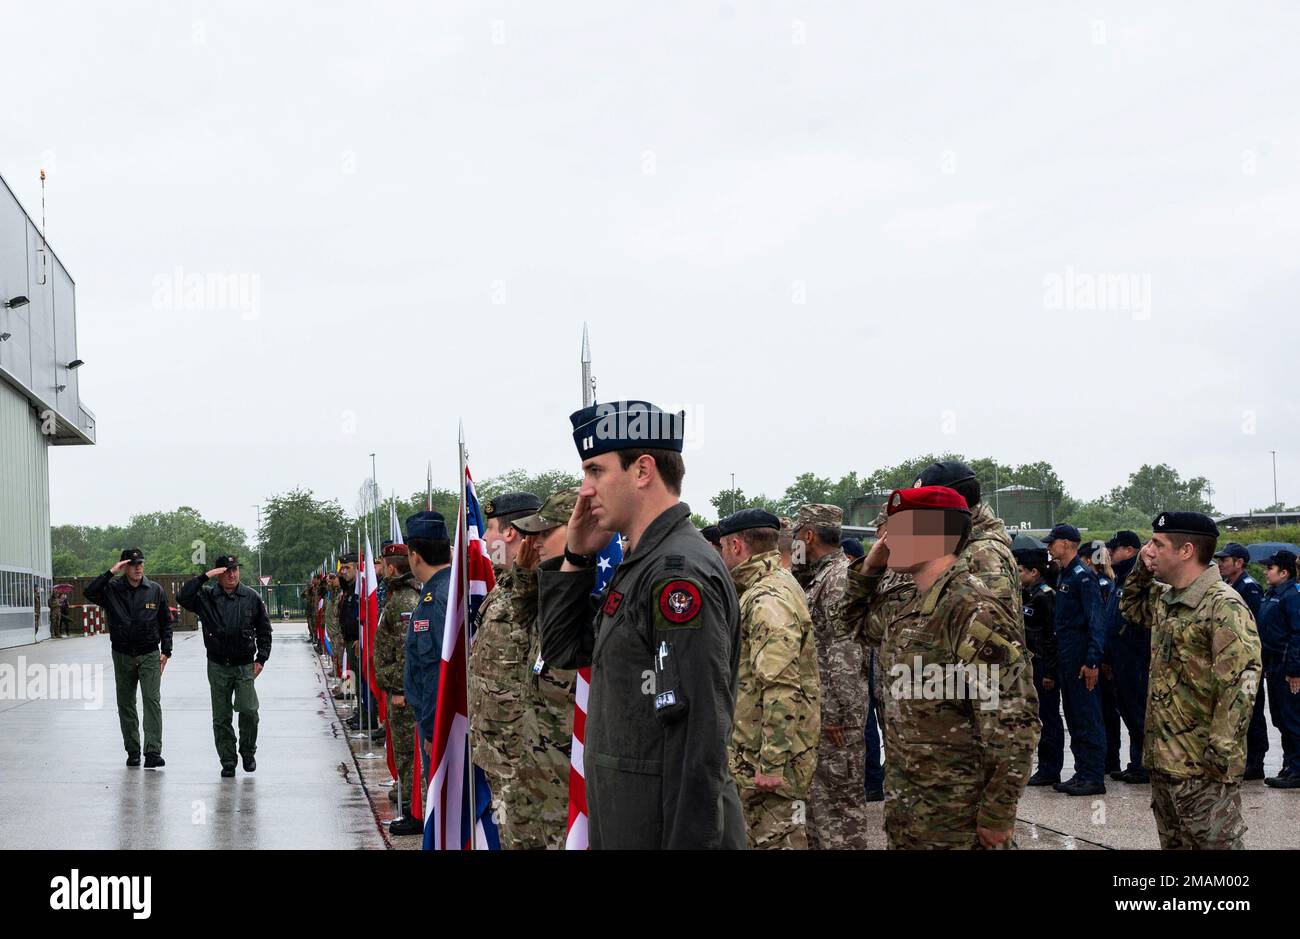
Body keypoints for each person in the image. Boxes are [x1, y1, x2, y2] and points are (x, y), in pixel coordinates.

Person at [538, 399, 745, 849]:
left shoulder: (675, 573)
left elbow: (699, 739)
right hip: (631, 822)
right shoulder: (642, 564)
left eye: (596, 471)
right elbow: (563, 650)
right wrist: (576, 556)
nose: (585, 490)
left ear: (643, 470)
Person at [842, 486, 1039, 849]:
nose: (886, 538)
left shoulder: (972, 608)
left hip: (959, 822)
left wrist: (998, 814)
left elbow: (1014, 724)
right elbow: (852, 623)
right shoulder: (909, 604)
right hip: (911, 816)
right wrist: (869, 568)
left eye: (897, 528)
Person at [1120, 512, 1261, 848]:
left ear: (1185, 550)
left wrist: (1216, 758)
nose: (1149, 550)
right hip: (1166, 764)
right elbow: (1130, 606)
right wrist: (1141, 565)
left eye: (1157, 544)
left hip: (1202, 771)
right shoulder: (1167, 599)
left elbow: (1241, 687)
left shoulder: (1223, 606)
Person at [717, 508, 820, 849]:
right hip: (762, 754)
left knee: (778, 841)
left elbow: (780, 684)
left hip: (768, 764)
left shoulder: (766, 598)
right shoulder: (774, 581)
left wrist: (772, 762)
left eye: (720, 547)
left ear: (735, 546)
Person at [469, 490, 554, 847]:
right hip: (497, 744)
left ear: (512, 532)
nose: (484, 538)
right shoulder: (505, 584)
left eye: (490, 528)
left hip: (521, 751)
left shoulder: (538, 583)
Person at [509, 488, 585, 848]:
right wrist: (524, 575)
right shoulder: (550, 590)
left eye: (544, 533)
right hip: (537, 771)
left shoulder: (590, 597)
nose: (534, 543)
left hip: (570, 782)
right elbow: (517, 621)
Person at [794, 502, 869, 850]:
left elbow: (846, 652)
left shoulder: (838, 579)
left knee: (840, 813)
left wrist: (834, 712)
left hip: (835, 718)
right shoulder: (820, 577)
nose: (792, 543)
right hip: (822, 713)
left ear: (808, 535)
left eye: (795, 536)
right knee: (820, 809)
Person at [178, 555, 272, 777]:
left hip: (244, 665)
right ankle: (228, 760)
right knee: (221, 717)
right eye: (227, 570)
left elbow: (264, 630)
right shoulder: (207, 596)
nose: (232, 574)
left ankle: (247, 752)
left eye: (235, 569)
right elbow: (182, 596)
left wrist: (262, 659)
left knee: (249, 710)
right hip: (218, 665)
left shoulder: (251, 597)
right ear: (218, 574)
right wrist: (205, 576)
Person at [83, 548, 174, 768]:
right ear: (124, 567)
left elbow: (166, 622)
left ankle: (152, 751)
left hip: (149, 653)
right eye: (133, 565)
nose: (138, 568)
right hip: (122, 654)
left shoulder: (155, 590)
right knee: (126, 704)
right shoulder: (112, 589)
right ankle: (133, 750)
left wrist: (166, 651)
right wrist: (110, 572)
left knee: (152, 701)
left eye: (140, 564)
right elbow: (89, 592)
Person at [1041, 523, 1107, 796]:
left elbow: (1097, 622)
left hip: (1081, 658)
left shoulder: (1083, 577)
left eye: (1052, 542)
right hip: (1067, 657)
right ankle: (1082, 771)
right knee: (1073, 715)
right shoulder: (1065, 575)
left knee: (1087, 716)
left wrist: (1092, 661)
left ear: (1066, 543)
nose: (1048, 547)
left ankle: (1093, 776)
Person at [372, 543, 423, 834]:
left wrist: (401, 689)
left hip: (403, 692)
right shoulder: (399, 596)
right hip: (398, 686)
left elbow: (406, 649)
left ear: (391, 567)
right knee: (404, 752)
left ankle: (412, 812)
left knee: (406, 753)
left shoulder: (404, 600)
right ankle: (411, 804)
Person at [405, 512, 452, 776]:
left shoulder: (435, 601)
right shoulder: (452, 588)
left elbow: (435, 670)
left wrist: (433, 730)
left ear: (415, 556)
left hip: (438, 721)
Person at [1215, 542, 1267, 779]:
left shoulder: (1249, 588)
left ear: (1239, 563)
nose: (1221, 564)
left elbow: (1255, 628)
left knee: (1251, 711)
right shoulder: (1227, 586)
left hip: (1247, 663)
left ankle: (1255, 762)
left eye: (1225, 560)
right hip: (1231, 662)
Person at [1105, 530, 1150, 784]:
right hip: (1120, 658)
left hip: (1136, 658)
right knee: (1129, 713)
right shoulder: (1121, 579)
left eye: (1116, 548)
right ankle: (1136, 762)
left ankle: (1144, 764)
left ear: (1130, 551)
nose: (1110, 553)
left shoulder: (1140, 580)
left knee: (1140, 712)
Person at [1017, 547, 1063, 787]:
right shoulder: (1027, 595)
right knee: (1036, 717)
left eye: (1021, 571)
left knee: (1048, 717)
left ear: (1034, 572)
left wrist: (1050, 671)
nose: (1018, 575)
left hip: (1044, 665)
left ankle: (1051, 768)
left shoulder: (1045, 596)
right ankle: (1043, 766)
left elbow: (1051, 637)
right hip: (1031, 664)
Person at [1258, 550, 1300, 789]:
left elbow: (1297, 635)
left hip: (1287, 666)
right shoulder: (1273, 593)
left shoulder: (1293, 596)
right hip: (1273, 665)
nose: (1266, 572)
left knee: (1293, 718)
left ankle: (1297, 769)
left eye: (1270, 568)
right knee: (1281, 719)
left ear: (1284, 572)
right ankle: (1289, 765)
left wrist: (1295, 671)